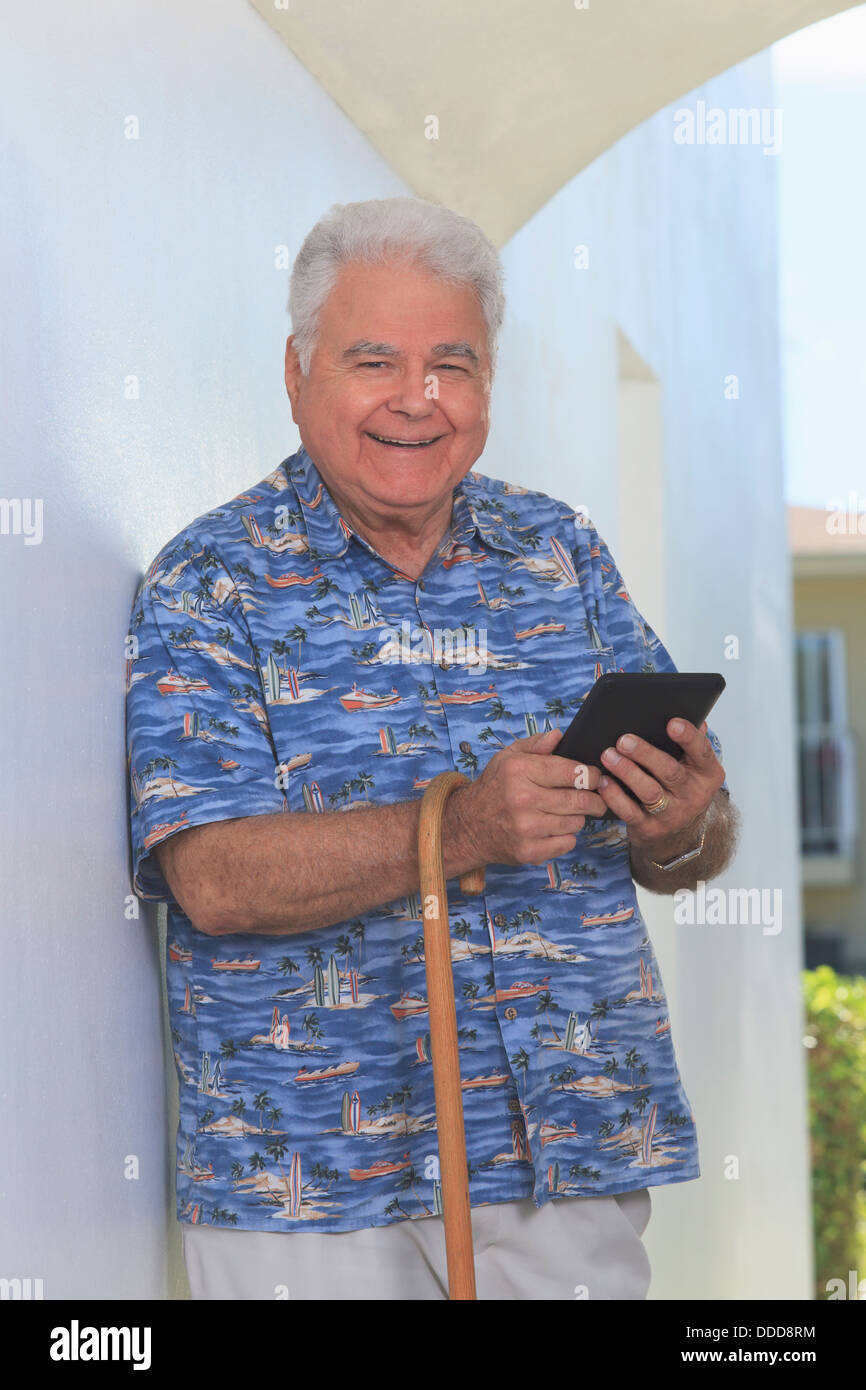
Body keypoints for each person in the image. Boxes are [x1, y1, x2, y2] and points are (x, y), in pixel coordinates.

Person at [125, 195, 738, 1301]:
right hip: (311, 1183)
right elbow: (209, 878)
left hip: (571, 1152)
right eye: (374, 361)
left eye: (452, 364)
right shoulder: (208, 582)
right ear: (296, 372)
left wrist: (682, 818)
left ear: (488, 384)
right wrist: (460, 826)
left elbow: (685, 849)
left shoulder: (561, 552)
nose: (418, 399)